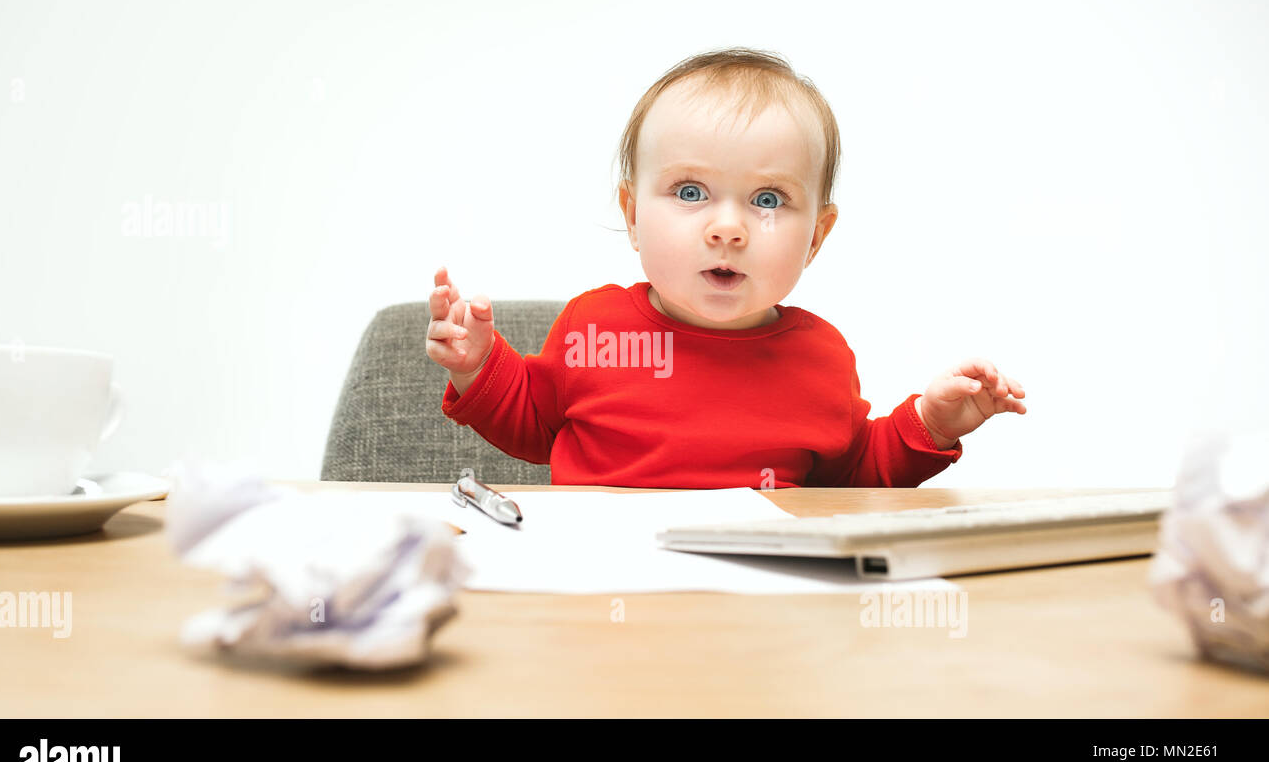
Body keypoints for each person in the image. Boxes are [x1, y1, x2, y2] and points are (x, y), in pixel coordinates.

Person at [425, 47, 1027, 489]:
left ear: (816, 236)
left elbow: (855, 473)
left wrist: (929, 423)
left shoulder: (820, 358)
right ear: (633, 216)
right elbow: (533, 423)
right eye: (691, 192)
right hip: (603, 582)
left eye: (767, 200)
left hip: (759, 597)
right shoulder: (596, 328)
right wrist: (480, 364)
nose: (728, 228)